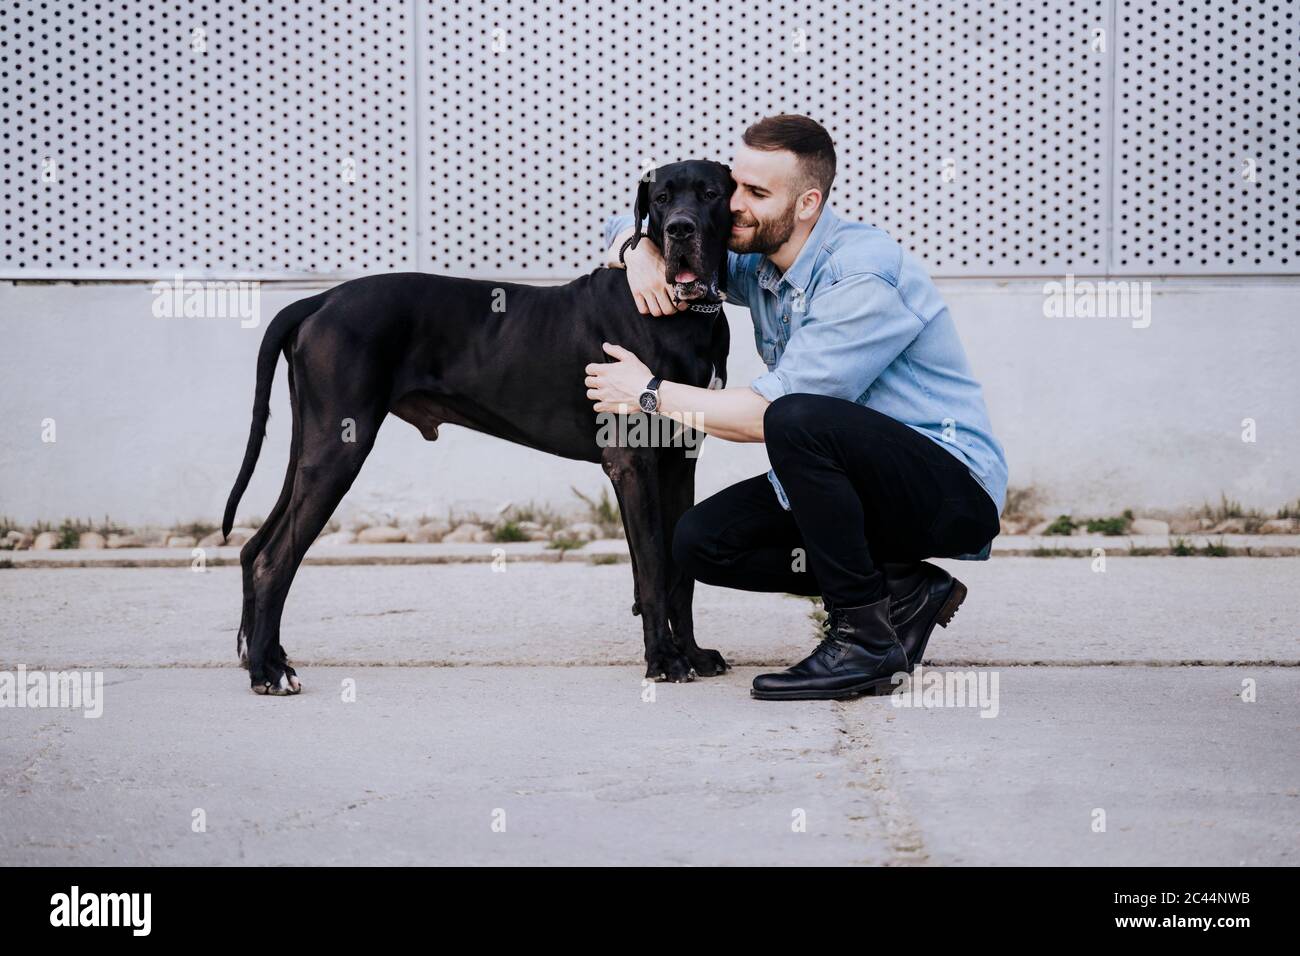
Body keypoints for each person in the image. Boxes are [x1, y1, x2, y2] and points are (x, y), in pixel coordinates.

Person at [585, 114, 1008, 701]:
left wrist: (647, 392)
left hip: (945, 488)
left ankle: (863, 642)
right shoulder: (758, 259)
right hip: (857, 481)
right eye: (736, 186)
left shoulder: (861, 275)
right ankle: (904, 591)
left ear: (807, 203)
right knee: (700, 541)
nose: (734, 207)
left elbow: (763, 418)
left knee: (793, 416)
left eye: (757, 194)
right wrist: (638, 252)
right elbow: (632, 223)